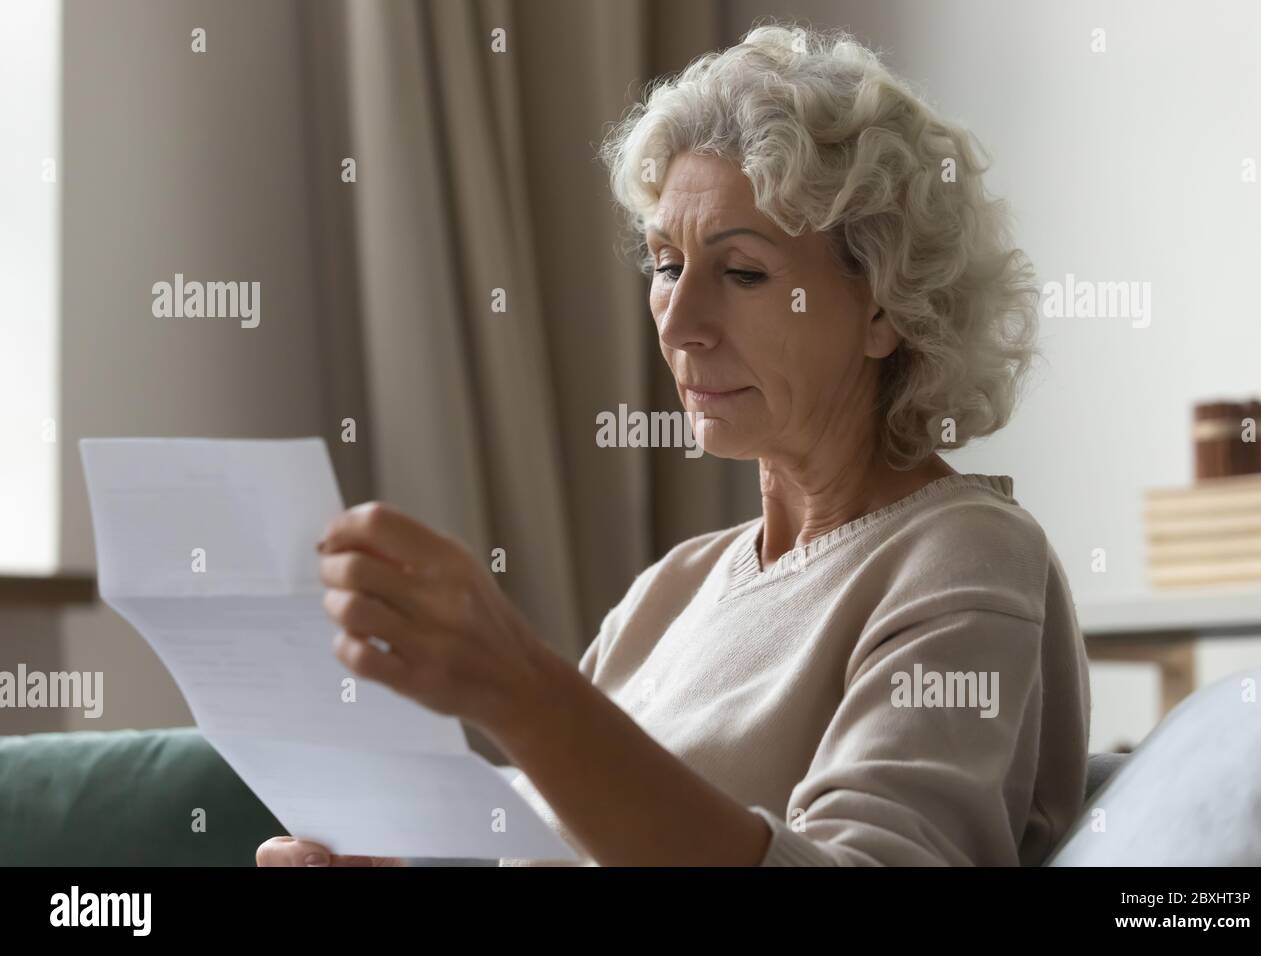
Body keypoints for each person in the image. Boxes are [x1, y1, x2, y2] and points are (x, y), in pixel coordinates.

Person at [257, 22, 1089, 868]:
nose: (682, 325)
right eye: (664, 264)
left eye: (742, 273)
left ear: (885, 307)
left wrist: (525, 687)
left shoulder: (965, 558)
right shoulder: (672, 592)